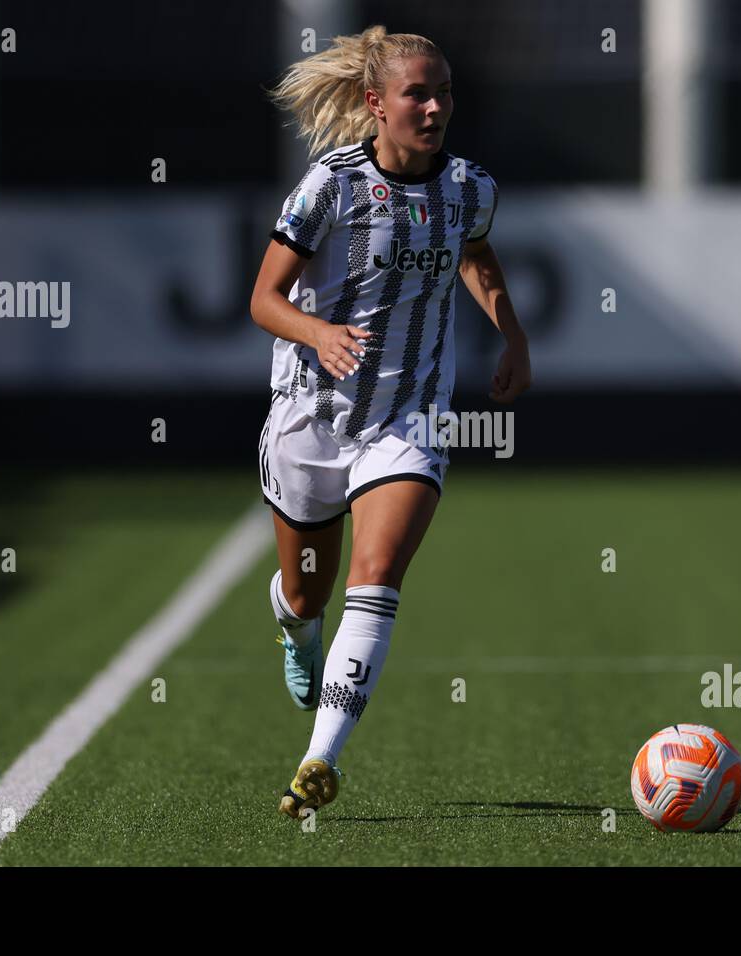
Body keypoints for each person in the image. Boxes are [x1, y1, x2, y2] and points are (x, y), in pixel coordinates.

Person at [251, 25, 531, 818]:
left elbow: (473, 250)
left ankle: (318, 760)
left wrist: (512, 333)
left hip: (407, 417)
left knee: (376, 580)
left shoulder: (471, 187)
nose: (436, 106)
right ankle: (295, 629)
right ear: (376, 103)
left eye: (444, 92)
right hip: (312, 415)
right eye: (418, 93)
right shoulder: (328, 187)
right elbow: (263, 299)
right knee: (311, 595)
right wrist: (319, 332)